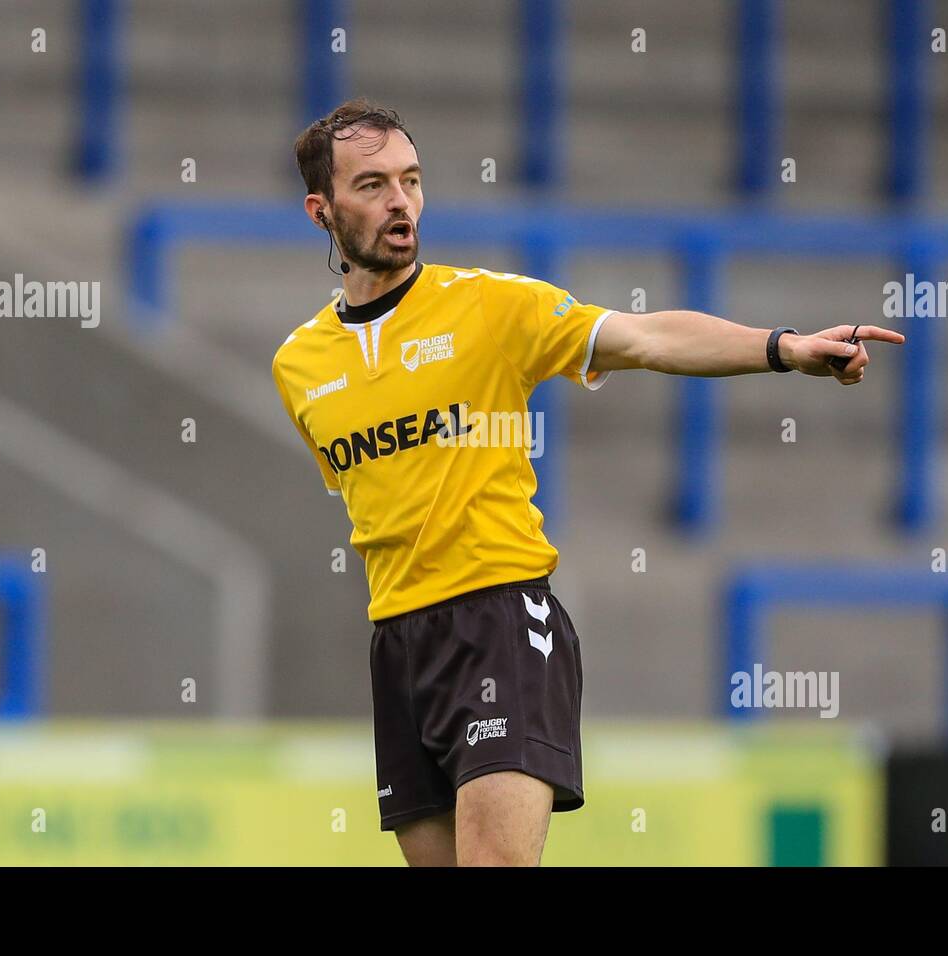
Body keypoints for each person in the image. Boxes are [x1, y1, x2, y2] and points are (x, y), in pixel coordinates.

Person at [274, 98, 905, 866]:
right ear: (322, 210)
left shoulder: (491, 306)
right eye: (371, 185)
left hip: (498, 621)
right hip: (398, 645)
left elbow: (646, 336)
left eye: (410, 180)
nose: (400, 202)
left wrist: (784, 347)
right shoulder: (299, 366)